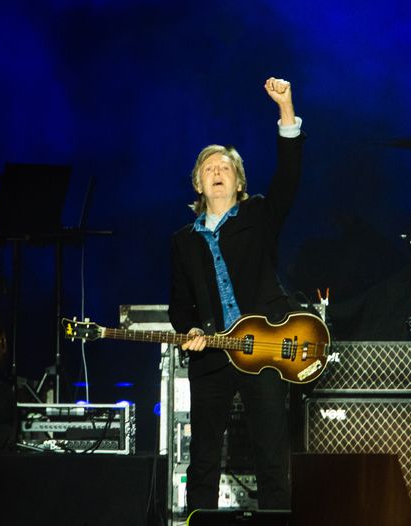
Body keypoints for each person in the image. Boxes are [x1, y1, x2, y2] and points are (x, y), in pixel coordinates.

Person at [168, 76, 304, 513]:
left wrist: (285, 109)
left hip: (263, 347)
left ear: (239, 182)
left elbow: (288, 177)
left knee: (270, 456)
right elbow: (179, 302)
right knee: (203, 460)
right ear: (197, 184)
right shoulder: (183, 240)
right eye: (208, 169)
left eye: (224, 167)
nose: (217, 173)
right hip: (211, 356)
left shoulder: (258, 216)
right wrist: (187, 328)